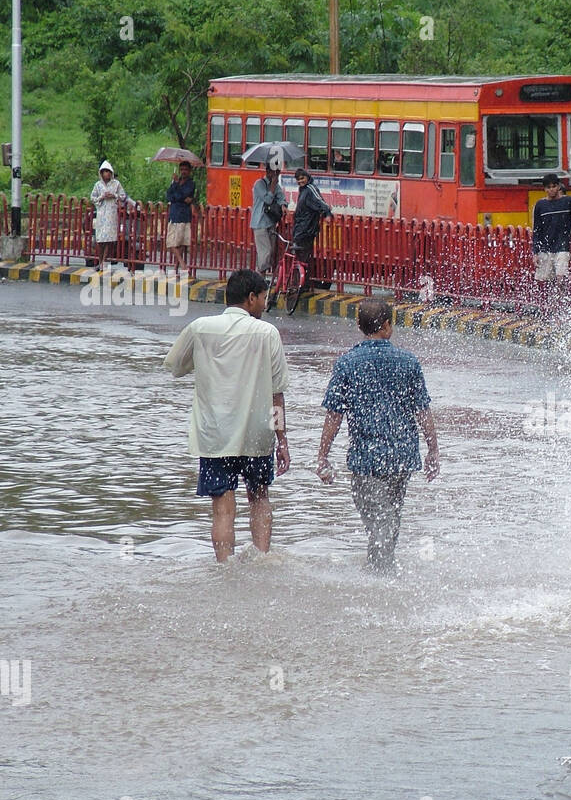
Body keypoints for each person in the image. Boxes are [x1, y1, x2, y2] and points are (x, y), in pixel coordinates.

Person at [163, 270, 290, 562]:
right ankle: (261, 560)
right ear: (251, 298)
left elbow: (175, 366)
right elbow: (277, 394)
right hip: (256, 434)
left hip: (214, 435)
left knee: (222, 507)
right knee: (259, 497)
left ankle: (224, 569)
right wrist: (282, 440)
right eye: (264, 299)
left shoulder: (200, 328)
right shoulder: (267, 333)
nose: (265, 305)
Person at [316, 299, 440, 571]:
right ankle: (383, 573)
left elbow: (334, 415)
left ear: (360, 327)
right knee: (390, 519)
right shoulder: (408, 362)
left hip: (366, 460)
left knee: (381, 521)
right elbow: (422, 410)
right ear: (386, 326)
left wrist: (322, 456)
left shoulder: (347, 363)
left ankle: (380, 577)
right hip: (401, 458)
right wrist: (433, 449)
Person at [531, 172, 571, 291]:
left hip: (562, 247)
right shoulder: (540, 205)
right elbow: (537, 230)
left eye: (554, 186)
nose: (551, 190)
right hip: (545, 248)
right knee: (543, 280)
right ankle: (546, 303)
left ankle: (561, 301)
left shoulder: (568, 202)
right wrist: (535, 252)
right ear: (544, 189)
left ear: (558, 186)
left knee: (561, 278)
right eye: (548, 187)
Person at [291, 168, 332, 292]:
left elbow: (321, 202)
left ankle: (303, 285)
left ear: (307, 177)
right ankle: (299, 284)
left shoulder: (310, 189)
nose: (300, 181)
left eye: (302, 178)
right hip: (300, 229)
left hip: (307, 230)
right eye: (298, 180)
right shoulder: (303, 190)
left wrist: (327, 214)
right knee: (299, 258)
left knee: (304, 258)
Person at [250, 150, 288, 277]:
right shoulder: (259, 184)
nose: (276, 175)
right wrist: (272, 185)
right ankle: (259, 276)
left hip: (270, 222)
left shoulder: (276, 186)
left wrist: (283, 205)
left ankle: (262, 276)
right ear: (268, 171)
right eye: (274, 172)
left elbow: (281, 197)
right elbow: (267, 199)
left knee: (271, 252)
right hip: (260, 222)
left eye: (278, 172)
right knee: (264, 252)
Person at [90, 160, 127, 266]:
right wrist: (102, 197)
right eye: (105, 171)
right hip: (101, 214)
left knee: (109, 239)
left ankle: (104, 261)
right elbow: (93, 198)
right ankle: (100, 259)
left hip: (111, 214)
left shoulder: (116, 184)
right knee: (100, 239)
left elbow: (123, 195)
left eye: (109, 171)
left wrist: (114, 196)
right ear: (101, 173)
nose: (107, 174)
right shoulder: (98, 185)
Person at [165, 160, 198, 271]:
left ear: (189, 171)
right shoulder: (175, 183)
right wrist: (175, 185)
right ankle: (182, 263)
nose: (183, 172)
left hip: (183, 215)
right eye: (182, 170)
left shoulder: (191, 184)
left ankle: (176, 267)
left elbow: (184, 195)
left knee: (181, 242)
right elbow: (170, 196)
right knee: (171, 241)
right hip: (174, 214)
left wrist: (180, 195)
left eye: (186, 170)